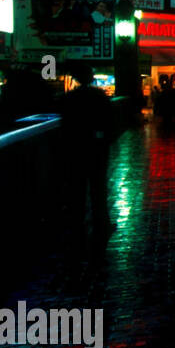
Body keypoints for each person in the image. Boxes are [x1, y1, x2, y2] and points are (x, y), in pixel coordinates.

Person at [61, 60, 114, 248]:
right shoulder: (99, 96)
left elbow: (65, 124)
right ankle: (101, 222)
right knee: (98, 186)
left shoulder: (69, 98)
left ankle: (77, 224)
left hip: (76, 147)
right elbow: (109, 121)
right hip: (97, 147)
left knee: (77, 187)